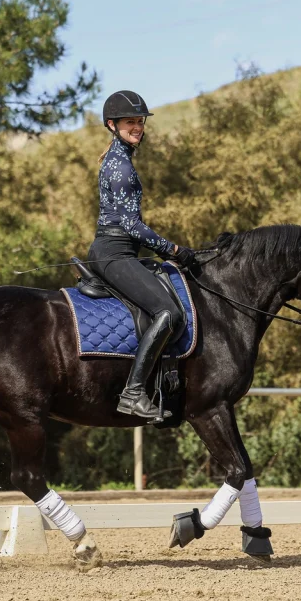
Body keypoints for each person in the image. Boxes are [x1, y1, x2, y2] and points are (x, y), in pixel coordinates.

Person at [88, 90, 200, 419]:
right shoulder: (121, 167)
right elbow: (131, 226)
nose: (137, 127)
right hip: (114, 253)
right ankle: (133, 393)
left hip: (121, 251)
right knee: (169, 313)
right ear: (112, 125)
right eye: (130, 122)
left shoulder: (119, 159)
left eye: (140, 121)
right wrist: (174, 250)